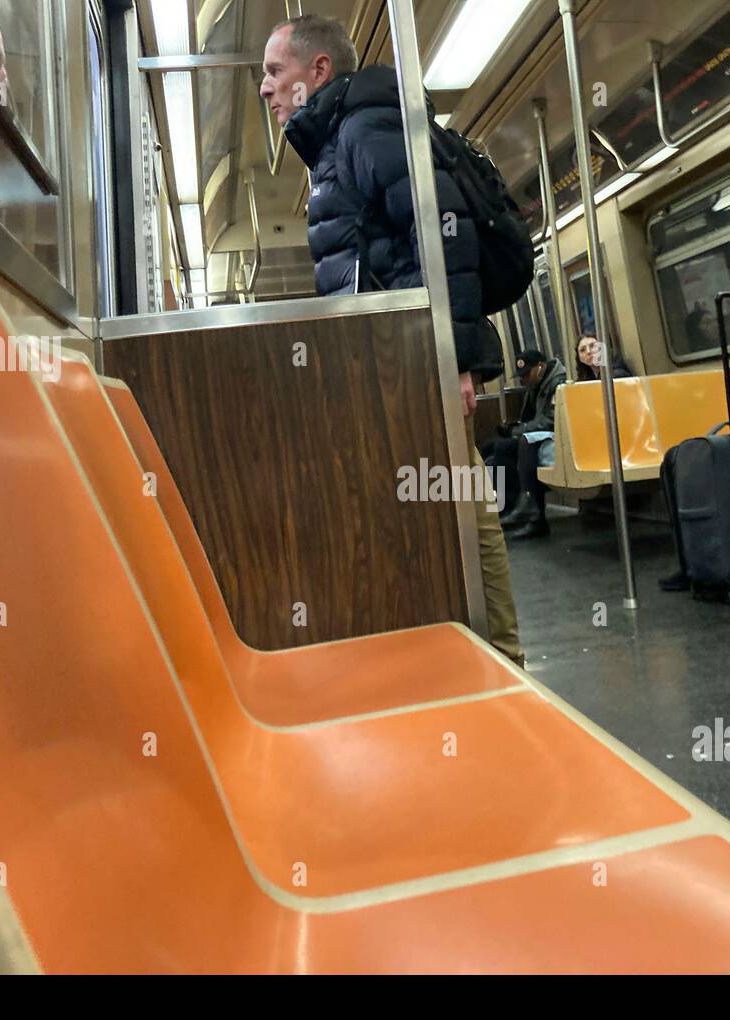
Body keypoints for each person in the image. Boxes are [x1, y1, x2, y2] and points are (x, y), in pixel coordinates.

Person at [262, 14, 524, 664]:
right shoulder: (337, 142)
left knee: (462, 504)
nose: (265, 89)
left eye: (274, 72)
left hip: (417, 358)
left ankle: (506, 660)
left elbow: (442, 231)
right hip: (389, 363)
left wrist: (456, 357)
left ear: (317, 71)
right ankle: (465, 652)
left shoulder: (363, 128)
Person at [488, 348, 567, 541]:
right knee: (492, 448)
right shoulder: (536, 386)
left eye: (526, 374)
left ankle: (526, 509)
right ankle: (509, 509)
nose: (523, 380)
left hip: (556, 435)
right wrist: (515, 428)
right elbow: (530, 418)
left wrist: (518, 431)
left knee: (510, 447)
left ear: (539, 367)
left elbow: (551, 420)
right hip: (540, 433)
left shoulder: (557, 383)